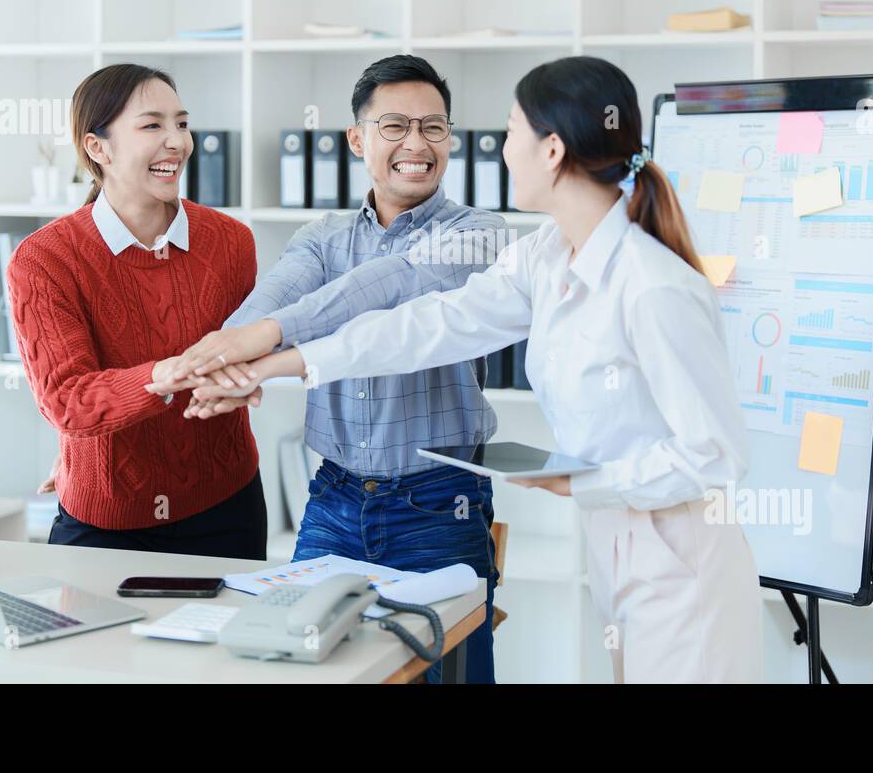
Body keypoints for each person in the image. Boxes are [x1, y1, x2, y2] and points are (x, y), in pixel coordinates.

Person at [183, 55, 764, 683]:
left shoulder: (653, 285)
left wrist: (581, 481)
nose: (500, 150)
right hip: (616, 542)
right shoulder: (546, 255)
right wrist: (282, 362)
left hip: (681, 558)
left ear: (551, 150)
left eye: (512, 131)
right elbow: (427, 326)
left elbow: (714, 453)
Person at [148, 55, 508, 682]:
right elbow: (274, 298)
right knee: (293, 666)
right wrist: (229, 363)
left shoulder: (480, 233)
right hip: (334, 502)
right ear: (357, 139)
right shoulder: (321, 237)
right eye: (394, 126)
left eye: (434, 127)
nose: (417, 145)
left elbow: (390, 286)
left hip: (438, 508)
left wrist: (259, 345)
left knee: (447, 678)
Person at [6, 64, 268, 559]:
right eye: (153, 126)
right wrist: (168, 375)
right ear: (97, 148)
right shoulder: (44, 260)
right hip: (105, 520)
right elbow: (66, 399)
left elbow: (246, 356)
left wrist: (247, 376)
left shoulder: (232, 243)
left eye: (182, 123)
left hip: (227, 507)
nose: (177, 141)